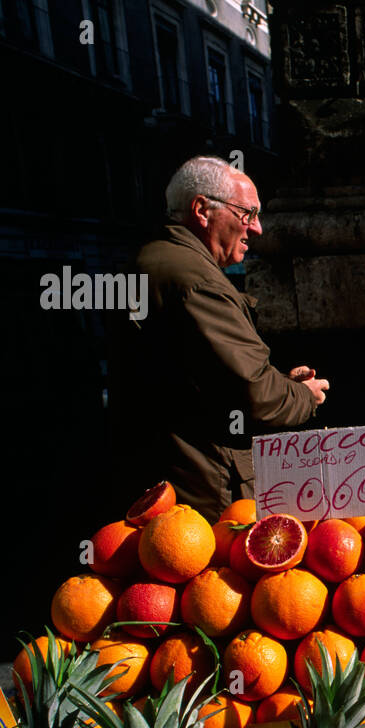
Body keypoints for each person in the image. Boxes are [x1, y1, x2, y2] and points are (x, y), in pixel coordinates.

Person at [111, 156, 329, 520]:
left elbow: (205, 378)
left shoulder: (154, 261)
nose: (256, 228)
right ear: (202, 210)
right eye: (247, 213)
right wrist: (302, 396)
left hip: (167, 485)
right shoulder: (197, 282)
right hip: (203, 495)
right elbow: (253, 394)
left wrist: (279, 382)